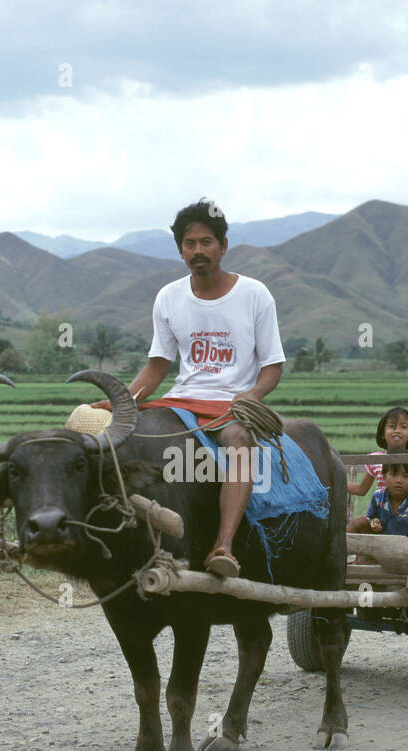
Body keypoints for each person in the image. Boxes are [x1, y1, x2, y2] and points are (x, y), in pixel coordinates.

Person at [99, 199, 285, 577]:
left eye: (206, 242)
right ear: (180, 250)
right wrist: (120, 402)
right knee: (120, 440)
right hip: (180, 402)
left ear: (223, 246)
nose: (198, 251)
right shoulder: (168, 297)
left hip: (228, 409)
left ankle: (223, 546)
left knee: (241, 444)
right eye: (189, 244)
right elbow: (157, 366)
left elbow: (272, 366)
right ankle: (115, 545)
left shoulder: (254, 294)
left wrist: (250, 397)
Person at [346, 406, 408, 552]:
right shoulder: (376, 459)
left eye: (403, 427)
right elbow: (361, 489)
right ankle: (344, 559)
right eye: (392, 426)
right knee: (355, 525)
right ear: (383, 434)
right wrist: (336, 481)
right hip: (382, 520)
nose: (397, 430)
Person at [347, 462, 408, 539]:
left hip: (405, 548)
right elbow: (371, 517)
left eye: (405, 476)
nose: (399, 481)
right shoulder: (378, 497)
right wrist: (375, 522)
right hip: (379, 543)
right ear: (384, 478)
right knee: (358, 522)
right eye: (393, 474)